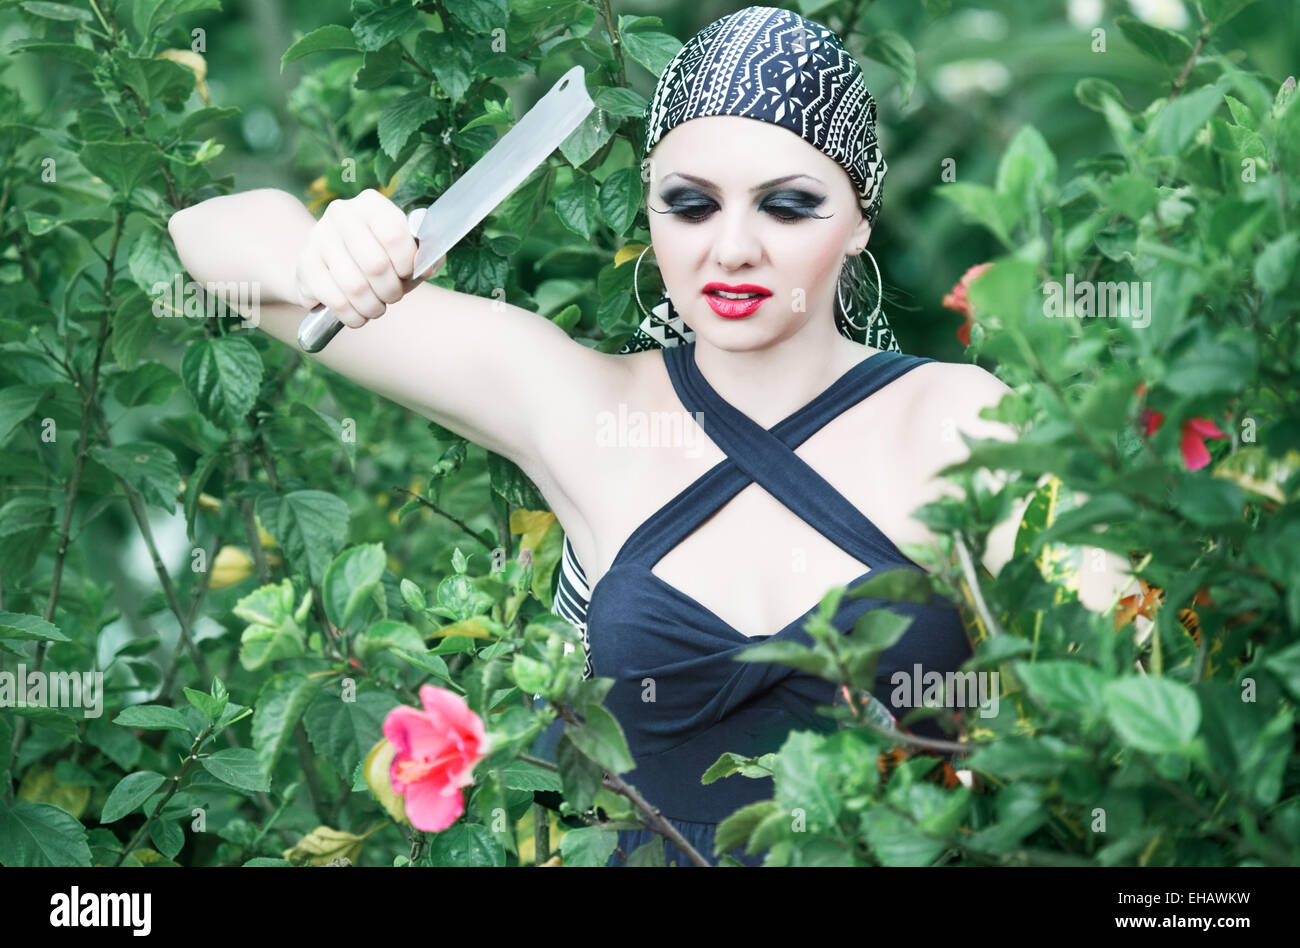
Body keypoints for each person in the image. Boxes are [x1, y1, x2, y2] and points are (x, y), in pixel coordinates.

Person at [169, 5, 1136, 867]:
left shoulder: (963, 419)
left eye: (789, 204)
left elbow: (1118, 713)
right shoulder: (582, 408)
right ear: (650, 214)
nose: (732, 246)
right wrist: (325, 250)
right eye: (691, 202)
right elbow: (208, 237)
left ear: (858, 224)